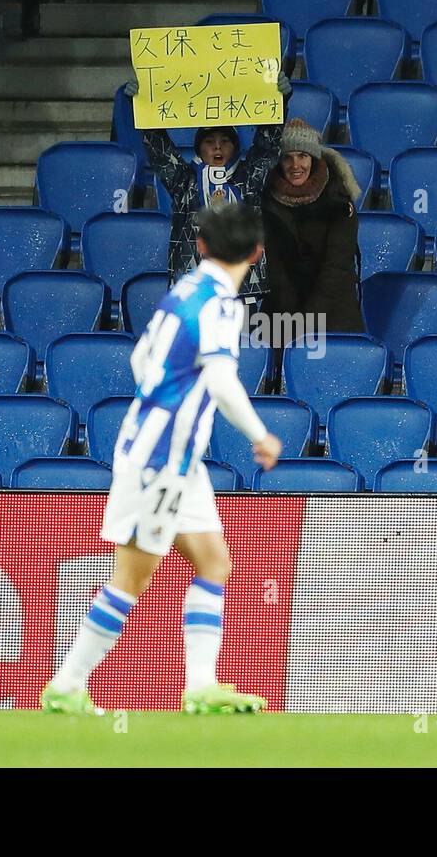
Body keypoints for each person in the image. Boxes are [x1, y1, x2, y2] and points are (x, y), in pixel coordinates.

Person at [41, 201, 284, 716]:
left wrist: (162, 401)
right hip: (161, 460)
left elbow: (139, 358)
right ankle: (68, 682)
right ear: (257, 253)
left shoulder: (183, 291)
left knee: (215, 563)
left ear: (200, 246)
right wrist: (261, 435)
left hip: (176, 460)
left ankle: (200, 686)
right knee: (132, 579)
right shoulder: (220, 304)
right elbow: (220, 380)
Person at [124, 73, 291, 310]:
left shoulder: (249, 179)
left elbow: (267, 145)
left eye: (225, 140)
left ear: (235, 147)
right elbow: (160, 152)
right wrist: (142, 105)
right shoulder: (185, 183)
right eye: (209, 141)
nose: (217, 146)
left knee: (240, 347)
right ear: (199, 149)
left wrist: (279, 102)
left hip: (243, 292)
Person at [259, 118, 365, 341]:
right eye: (287, 157)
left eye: (302, 156)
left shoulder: (339, 199)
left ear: (314, 158)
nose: (295, 165)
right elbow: (272, 266)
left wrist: (307, 322)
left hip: (335, 313)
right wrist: (292, 322)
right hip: (281, 314)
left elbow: (337, 267)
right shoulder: (265, 200)